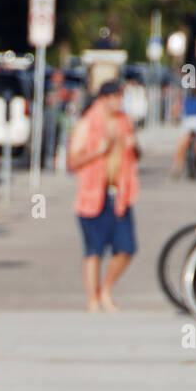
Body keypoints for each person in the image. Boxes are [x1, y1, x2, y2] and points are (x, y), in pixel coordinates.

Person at [68, 78, 139, 313]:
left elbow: (136, 155)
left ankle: (105, 289)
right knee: (94, 250)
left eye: (122, 97)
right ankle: (93, 299)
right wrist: (97, 152)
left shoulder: (125, 123)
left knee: (126, 248)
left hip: (119, 194)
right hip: (92, 195)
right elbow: (72, 161)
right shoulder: (87, 123)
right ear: (104, 99)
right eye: (116, 97)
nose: (120, 101)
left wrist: (134, 146)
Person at [171, 84, 196, 178]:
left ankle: (177, 167)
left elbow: (174, 111)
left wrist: (176, 119)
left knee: (181, 146)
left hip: (188, 123)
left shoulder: (183, 101)